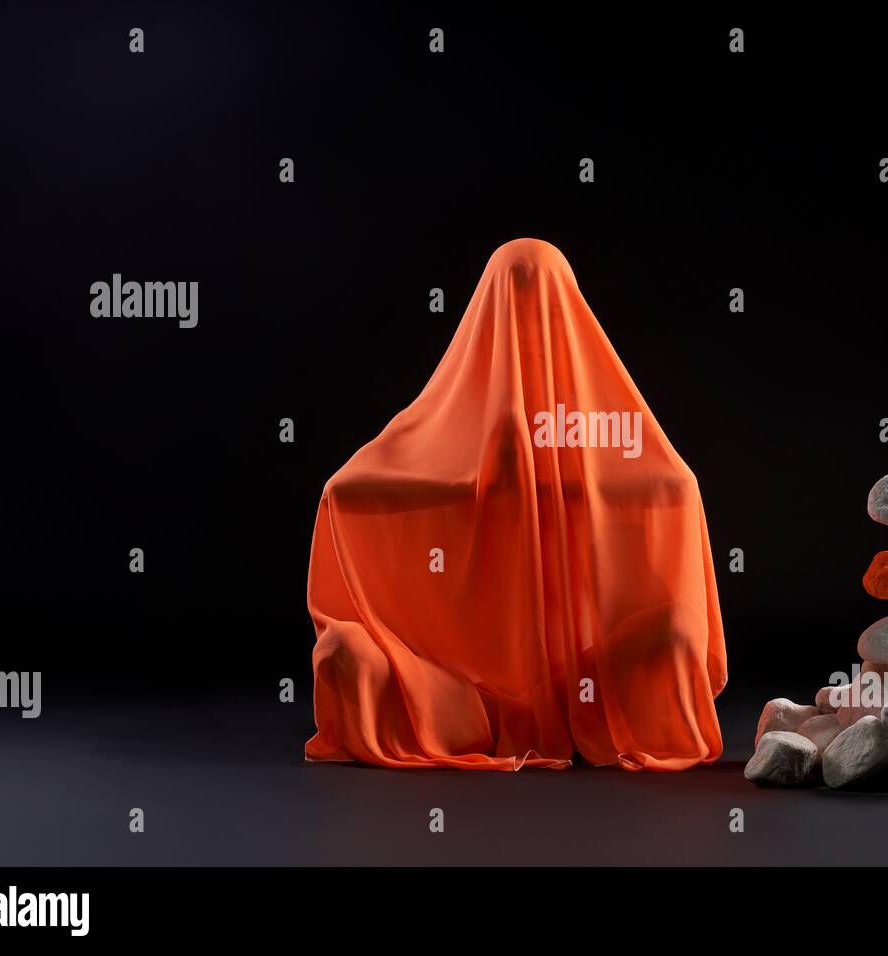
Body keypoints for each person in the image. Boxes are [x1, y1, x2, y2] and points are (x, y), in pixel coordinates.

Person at [305, 238, 727, 771]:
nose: (527, 318)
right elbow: (366, 486)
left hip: (582, 679)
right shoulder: (467, 414)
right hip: (460, 689)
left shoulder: (589, 425)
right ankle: (478, 710)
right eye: (515, 300)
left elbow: (669, 482)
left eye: (539, 300)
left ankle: (563, 707)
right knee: (345, 651)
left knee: (673, 632)